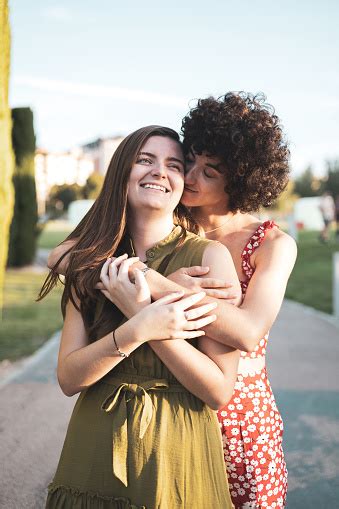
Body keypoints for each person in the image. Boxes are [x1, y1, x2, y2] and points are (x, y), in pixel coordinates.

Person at [47, 93, 297, 508]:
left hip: (239, 417)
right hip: (172, 412)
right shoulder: (169, 218)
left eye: (211, 171)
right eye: (191, 160)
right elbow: (62, 256)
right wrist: (152, 279)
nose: (193, 176)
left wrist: (152, 285)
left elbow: (248, 332)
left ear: (240, 180)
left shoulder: (270, 244)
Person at [39, 125, 242, 508]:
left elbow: (217, 391)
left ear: (183, 183)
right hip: (93, 448)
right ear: (121, 171)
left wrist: (145, 313)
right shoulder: (91, 259)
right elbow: (68, 378)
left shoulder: (209, 258)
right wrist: (136, 329)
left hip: (178, 452)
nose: (159, 172)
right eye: (144, 160)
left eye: (173, 165)